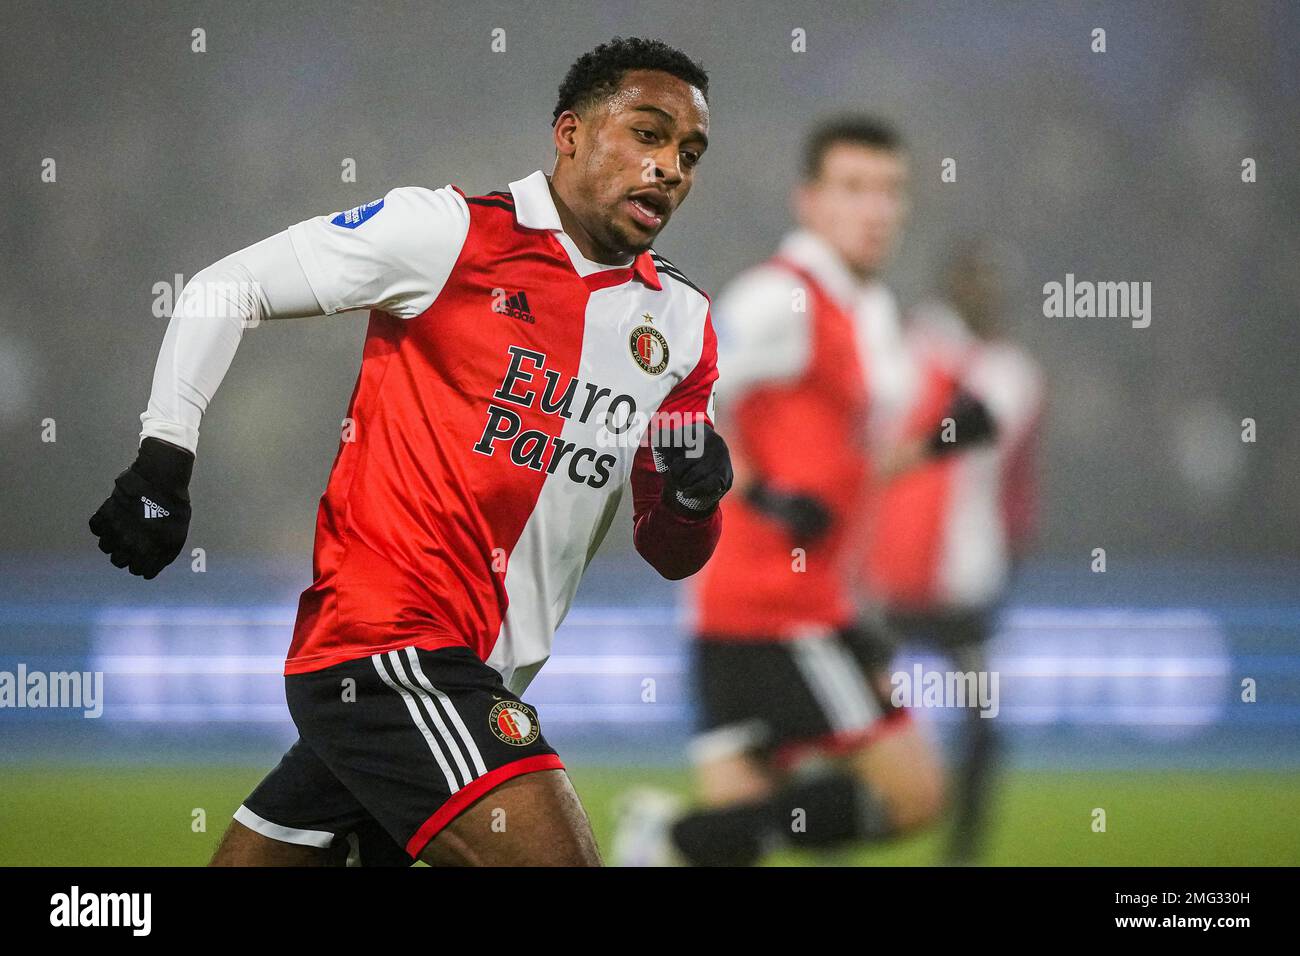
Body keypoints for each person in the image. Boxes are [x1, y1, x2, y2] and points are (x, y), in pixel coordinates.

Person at [88, 37, 733, 867]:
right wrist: (163, 460)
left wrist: (692, 500)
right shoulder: (445, 232)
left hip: (472, 679)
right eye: (647, 134)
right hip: (388, 649)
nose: (671, 167)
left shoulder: (682, 327)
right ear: (569, 133)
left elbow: (670, 552)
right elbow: (225, 288)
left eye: (689, 152)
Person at [614, 117, 990, 866]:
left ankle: (677, 843)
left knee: (743, 835)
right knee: (914, 794)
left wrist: (942, 440)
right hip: (773, 606)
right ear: (809, 201)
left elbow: (851, 469)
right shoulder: (777, 298)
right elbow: (677, 400)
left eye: (889, 191)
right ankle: (668, 837)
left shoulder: (867, 313)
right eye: (853, 189)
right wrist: (761, 495)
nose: (876, 209)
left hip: (777, 606)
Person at [859, 239, 1045, 864]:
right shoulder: (915, 352)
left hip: (966, 580)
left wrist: (1014, 549)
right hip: (889, 575)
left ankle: (962, 853)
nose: (982, 296)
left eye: (989, 285)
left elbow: (1008, 470)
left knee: (982, 727)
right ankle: (839, 835)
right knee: (851, 719)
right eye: (972, 283)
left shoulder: (1008, 373)